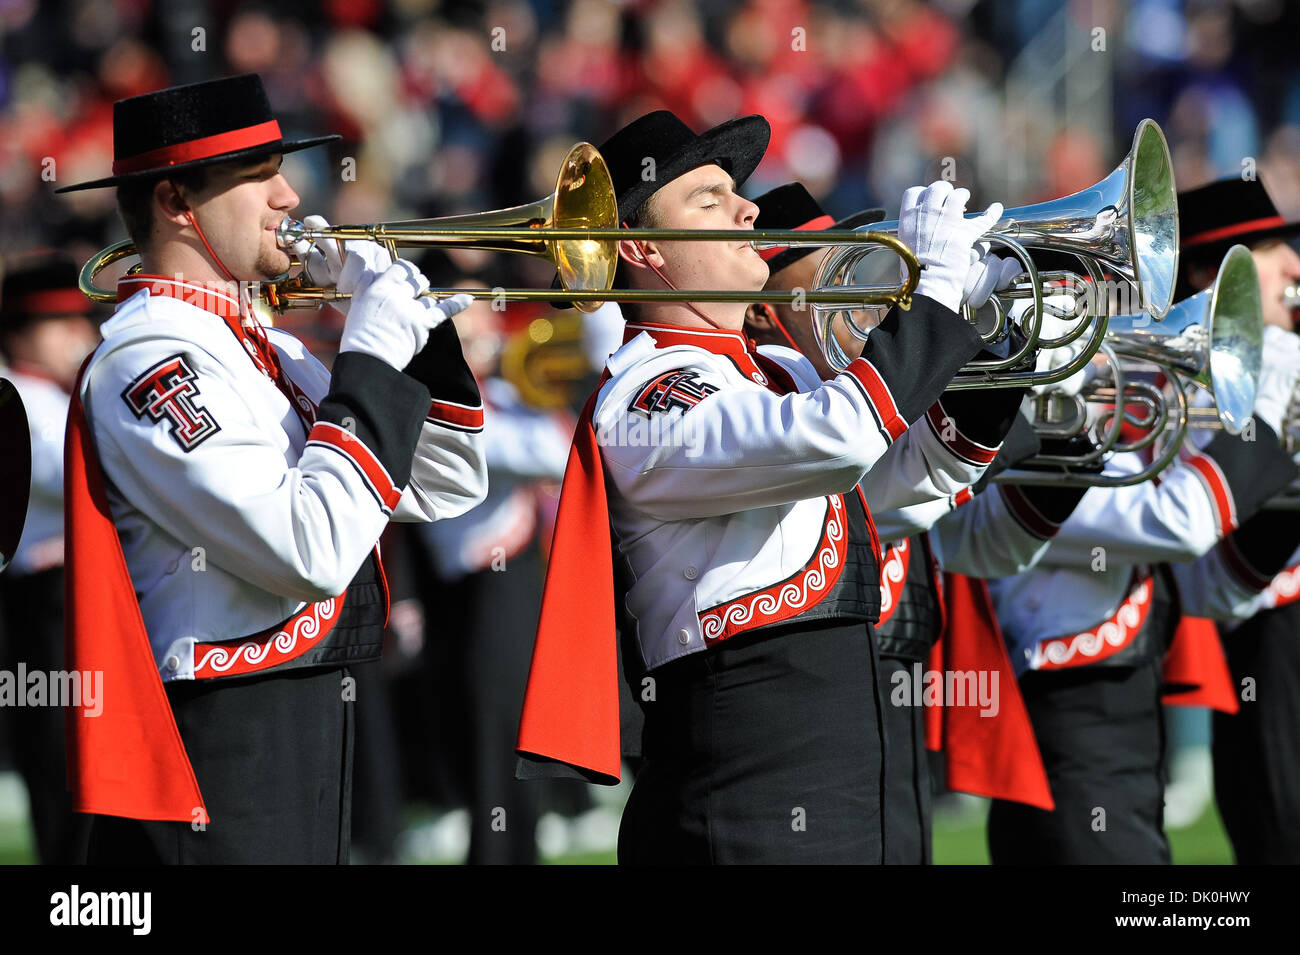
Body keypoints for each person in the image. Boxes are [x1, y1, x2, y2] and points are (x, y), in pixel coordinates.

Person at [517, 109, 1022, 864]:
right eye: (711, 199)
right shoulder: (647, 394)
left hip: (843, 768)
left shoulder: (779, 373)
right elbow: (841, 437)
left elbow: (923, 476)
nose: (750, 207)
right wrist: (935, 290)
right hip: (746, 784)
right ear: (645, 247)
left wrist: (1000, 327)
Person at [54, 73, 488, 864]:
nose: (291, 197)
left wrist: (417, 344)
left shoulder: (273, 349)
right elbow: (308, 550)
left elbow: (444, 485)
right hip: (222, 732)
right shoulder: (149, 353)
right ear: (178, 202)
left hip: (311, 706)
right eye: (260, 176)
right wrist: (368, 351)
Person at [983, 185, 1300, 862]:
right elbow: (1180, 523)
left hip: (1129, 723)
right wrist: (1271, 415)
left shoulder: (1126, 418)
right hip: (1067, 729)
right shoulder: (1037, 433)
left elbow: (1214, 586)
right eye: (1072, 306)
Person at [1169, 177, 1300, 863]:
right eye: (1274, 250)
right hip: (1269, 636)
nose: (1295, 268)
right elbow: (1210, 571)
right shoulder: (1207, 374)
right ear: (1209, 272)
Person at [0, 255, 99, 863]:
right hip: (52, 605)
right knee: (66, 765)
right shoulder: (30, 402)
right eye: (58, 324)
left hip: (58, 602)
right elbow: (88, 479)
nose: (80, 336)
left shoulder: (55, 398)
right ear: (18, 334)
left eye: (81, 322)